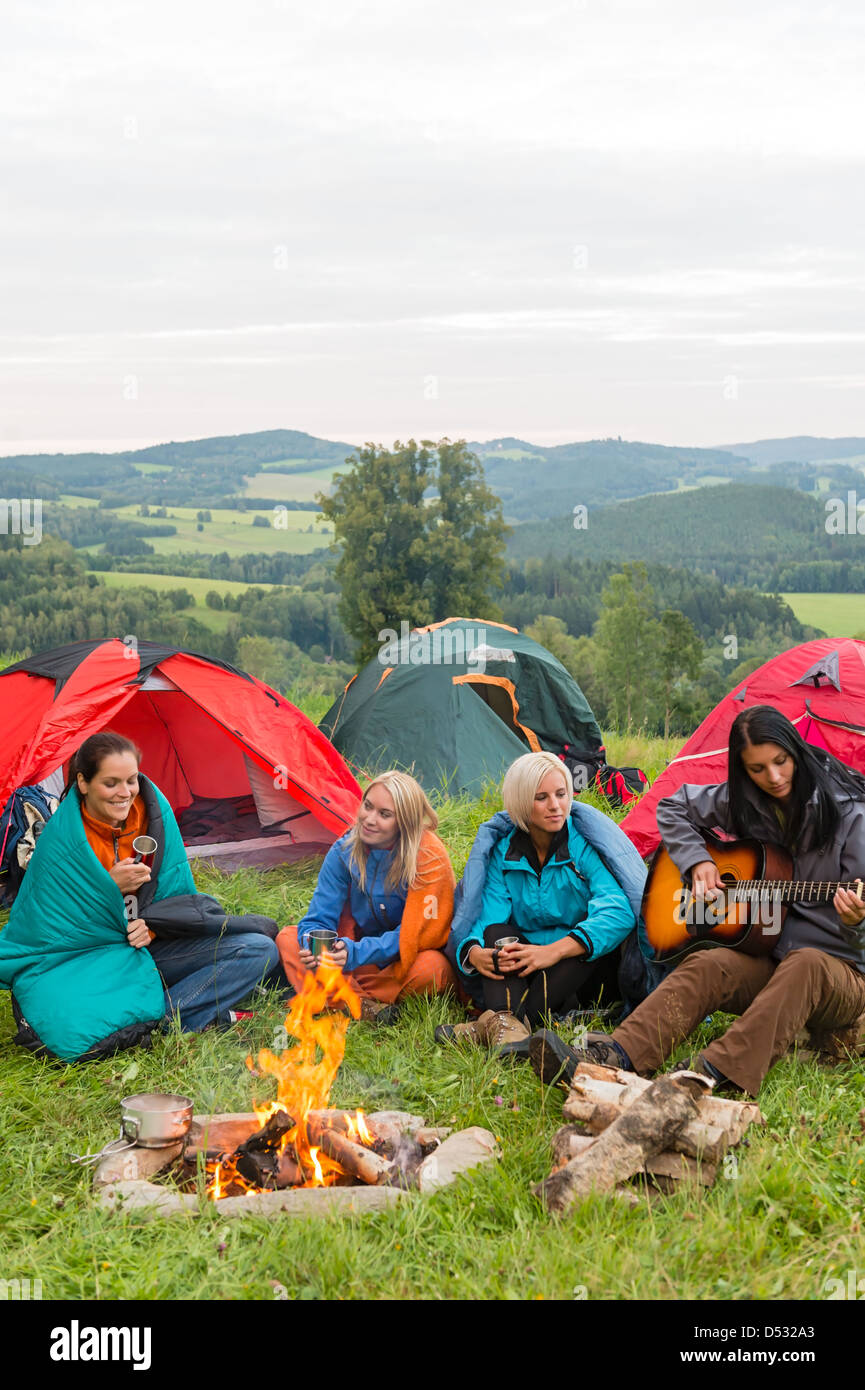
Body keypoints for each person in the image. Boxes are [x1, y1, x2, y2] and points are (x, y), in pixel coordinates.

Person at [530, 705, 865, 1096]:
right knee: (710, 963)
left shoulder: (850, 816)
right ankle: (617, 1055)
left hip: (841, 977)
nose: (773, 777)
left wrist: (855, 921)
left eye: (781, 762)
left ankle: (713, 1072)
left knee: (805, 963)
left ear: (796, 752)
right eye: (757, 769)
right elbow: (673, 807)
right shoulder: (747, 801)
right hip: (772, 959)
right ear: (743, 770)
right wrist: (698, 861)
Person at [0, 732, 286, 1062]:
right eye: (111, 783)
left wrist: (154, 927)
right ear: (83, 782)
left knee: (258, 949)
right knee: (63, 1016)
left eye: (131, 781)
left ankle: (161, 1018)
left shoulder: (152, 816)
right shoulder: (62, 841)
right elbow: (51, 931)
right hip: (90, 960)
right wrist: (108, 887)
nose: (124, 793)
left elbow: (177, 897)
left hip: (150, 949)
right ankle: (162, 1015)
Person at [436, 751, 637, 1056]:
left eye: (561, 794)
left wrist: (553, 951)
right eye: (541, 797)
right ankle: (515, 1026)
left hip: (579, 970)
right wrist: (475, 952)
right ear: (519, 802)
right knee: (495, 933)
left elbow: (619, 911)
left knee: (590, 940)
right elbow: (488, 914)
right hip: (529, 965)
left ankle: (498, 1025)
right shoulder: (505, 854)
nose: (556, 806)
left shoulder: (582, 846)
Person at [276, 770, 456, 1020]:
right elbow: (318, 918)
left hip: (398, 960)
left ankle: (340, 998)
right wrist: (312, 946)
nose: (369, 819)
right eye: (367, 806)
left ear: (404, 822)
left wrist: (356, 953)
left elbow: (418, 936)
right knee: (288, 938)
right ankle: (365, 1005)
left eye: (384, 814)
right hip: (352, 955)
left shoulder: (429, 857)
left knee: (434, 968)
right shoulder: (344, 851)